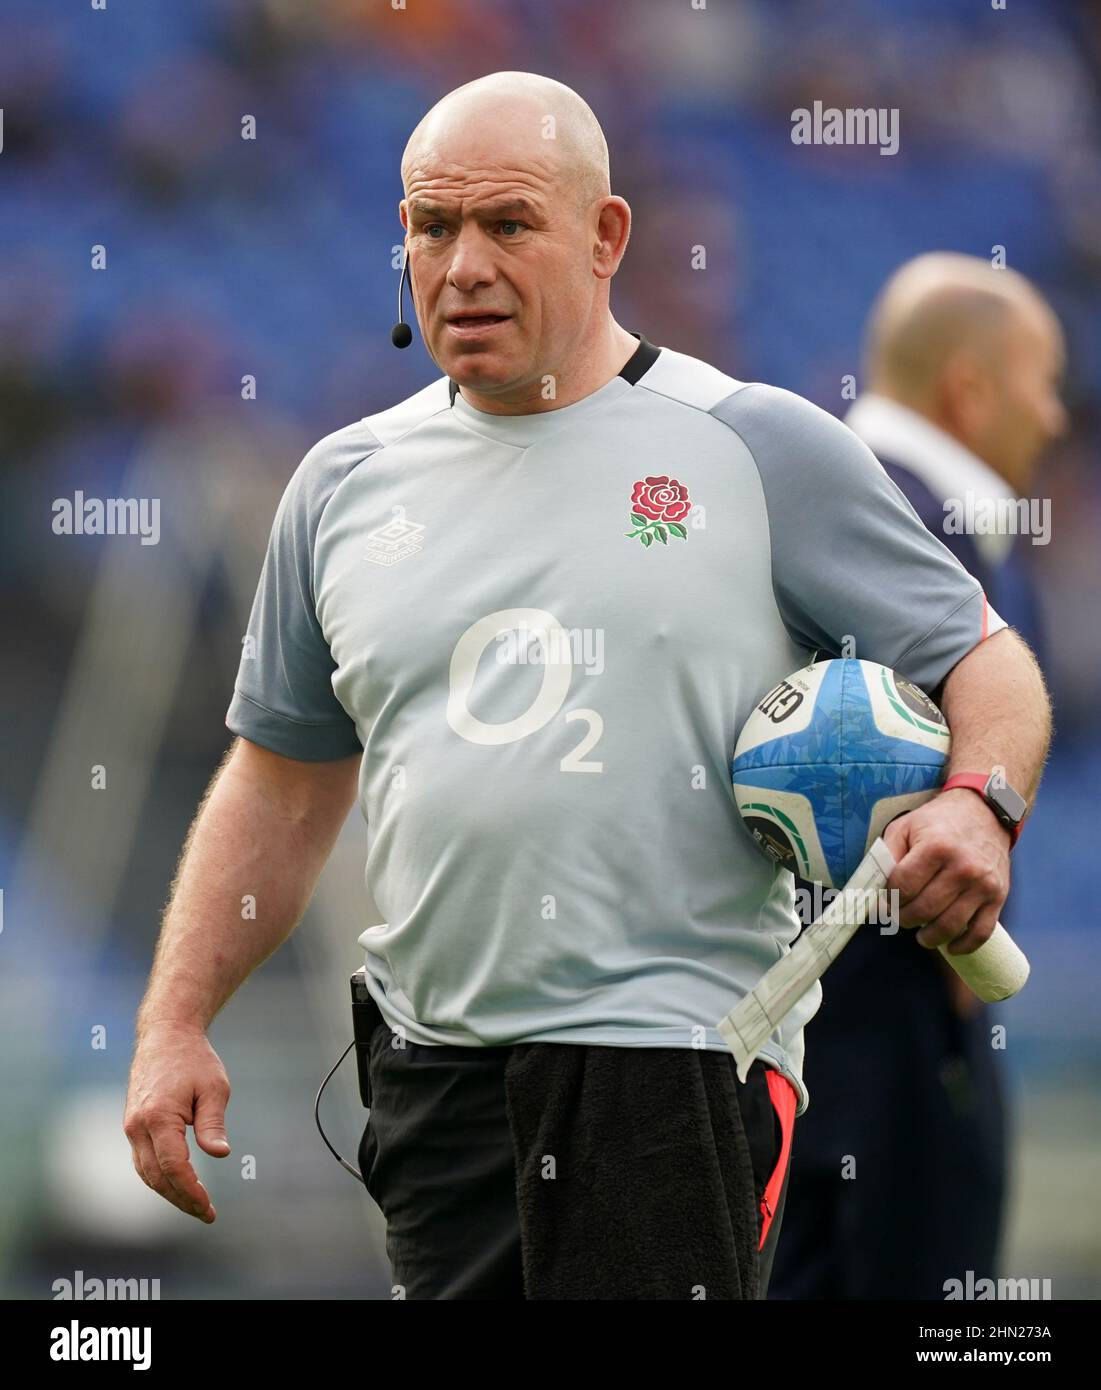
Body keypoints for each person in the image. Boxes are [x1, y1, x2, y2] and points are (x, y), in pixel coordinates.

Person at [124, 74, 1052, 1300]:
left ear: (606, 237)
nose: (461, 265)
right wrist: (173, 1020)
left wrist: (978, 800)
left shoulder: (759, 446)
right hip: (433, 1078)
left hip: (672, 1066)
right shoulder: (341, 485)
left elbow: (987, 660)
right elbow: (286, 778)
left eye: (508, 224)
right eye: (429, 225)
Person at [771, 254, 1065, 1301]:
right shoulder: (910, 518)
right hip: (883, 1017)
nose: (1056, 415)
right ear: (969, 388)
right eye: (1044, 381)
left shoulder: (865, 501)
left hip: (830, 1026)